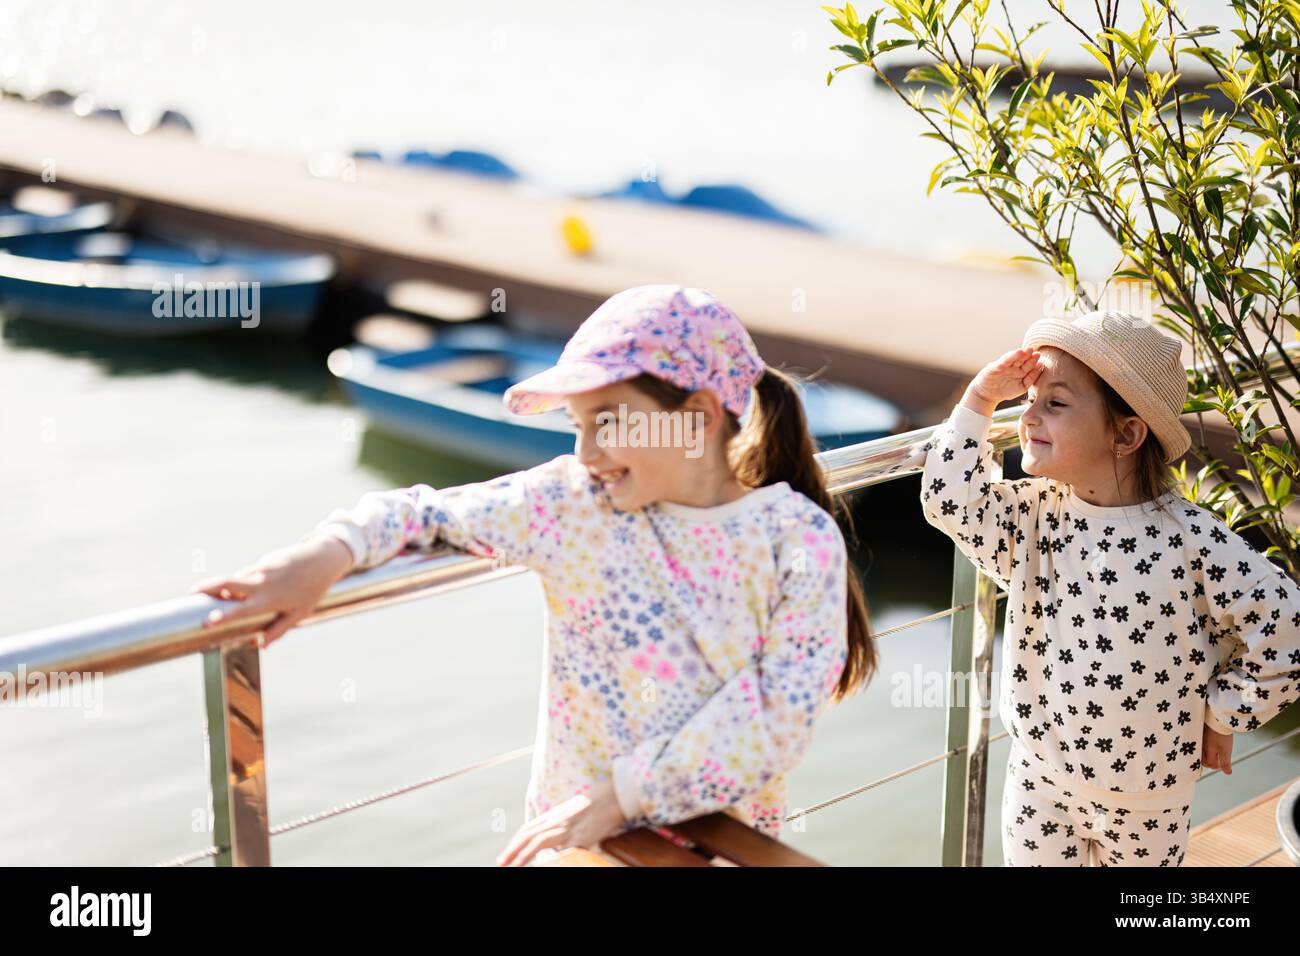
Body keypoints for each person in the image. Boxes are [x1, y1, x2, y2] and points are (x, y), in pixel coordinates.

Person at [193, 284, 876, 866]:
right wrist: (327, 555)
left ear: (695, 418)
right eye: (578, 424)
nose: (585, 450)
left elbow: (778, 719)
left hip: (716, 851)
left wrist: (621, 797)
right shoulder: (575, 506)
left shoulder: (798, 540)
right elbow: (427, 512)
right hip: (579, 851)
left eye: (608, 420)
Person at [919, 310, 1300, 867]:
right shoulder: (1034, 517)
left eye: (1056, 403)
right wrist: (979, 399)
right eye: (1029, 400)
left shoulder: (1193, 540)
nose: (1028, 418)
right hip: (1039, 779)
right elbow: (948, 500)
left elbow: (1287, 635)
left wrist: (1222, 714)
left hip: (1149, 799)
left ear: (1126, 433)